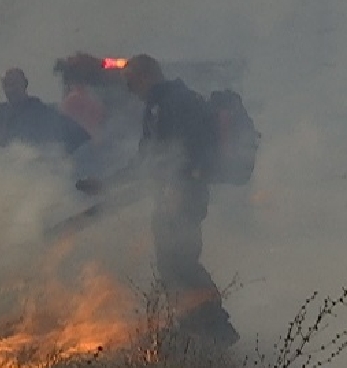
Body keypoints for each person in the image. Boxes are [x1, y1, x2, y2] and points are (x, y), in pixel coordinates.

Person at [77, 54, 239, 348]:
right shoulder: (157, 106)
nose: (129, 90)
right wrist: (107, 185)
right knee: (171, 263)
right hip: (169, 195)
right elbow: (146, 160)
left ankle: (215, 327)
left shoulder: (176, 102)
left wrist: (180, 188)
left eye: (130, 82)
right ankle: (197, 325)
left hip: (183, 195)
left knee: (180, 261)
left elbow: (190, 150)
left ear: (145, 76)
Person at [0, 68, 90, 155]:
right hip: (4, 175)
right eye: (7, 85)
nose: (10, 89)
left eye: (14, 84)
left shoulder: (42, 112)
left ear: (24, 84)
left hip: (37, 175)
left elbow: (79, 137)